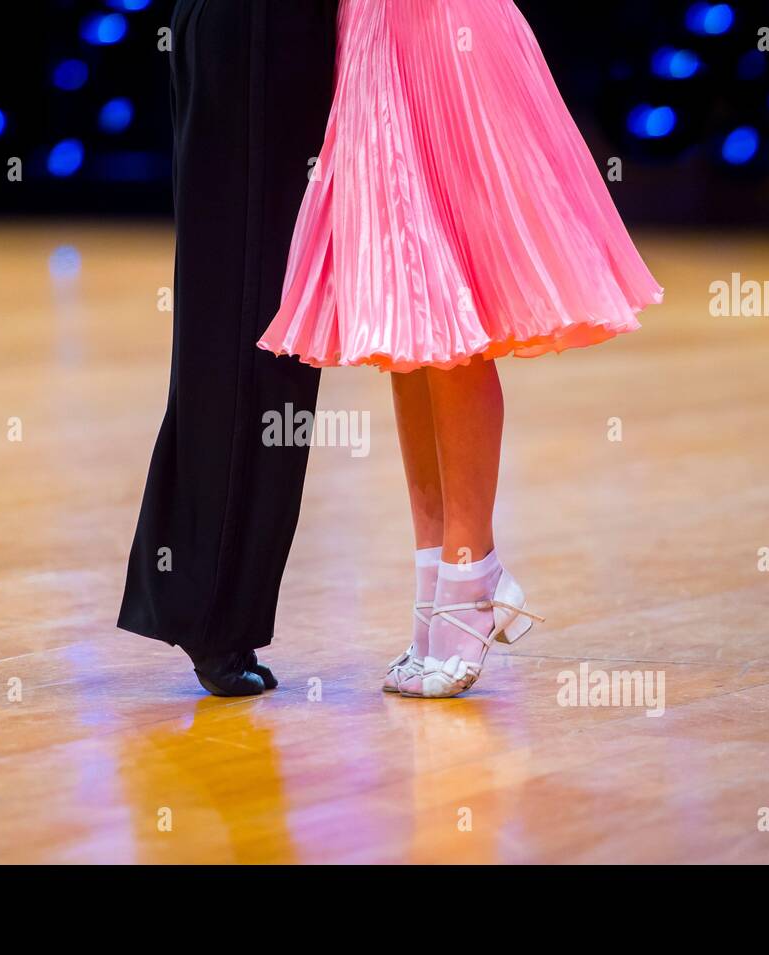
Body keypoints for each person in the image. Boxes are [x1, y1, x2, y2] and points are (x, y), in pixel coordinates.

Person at [258, 0, 663, 697]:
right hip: (372, 31)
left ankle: (470, 572)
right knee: (405, 324)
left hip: (443, 35)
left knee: (447, 312)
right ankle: (441, 583)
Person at [118, 1, 339, 696]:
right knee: (253, 322)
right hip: (258, 35)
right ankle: (210, 611)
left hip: (254, 36)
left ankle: (216, 610)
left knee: (261, 321)